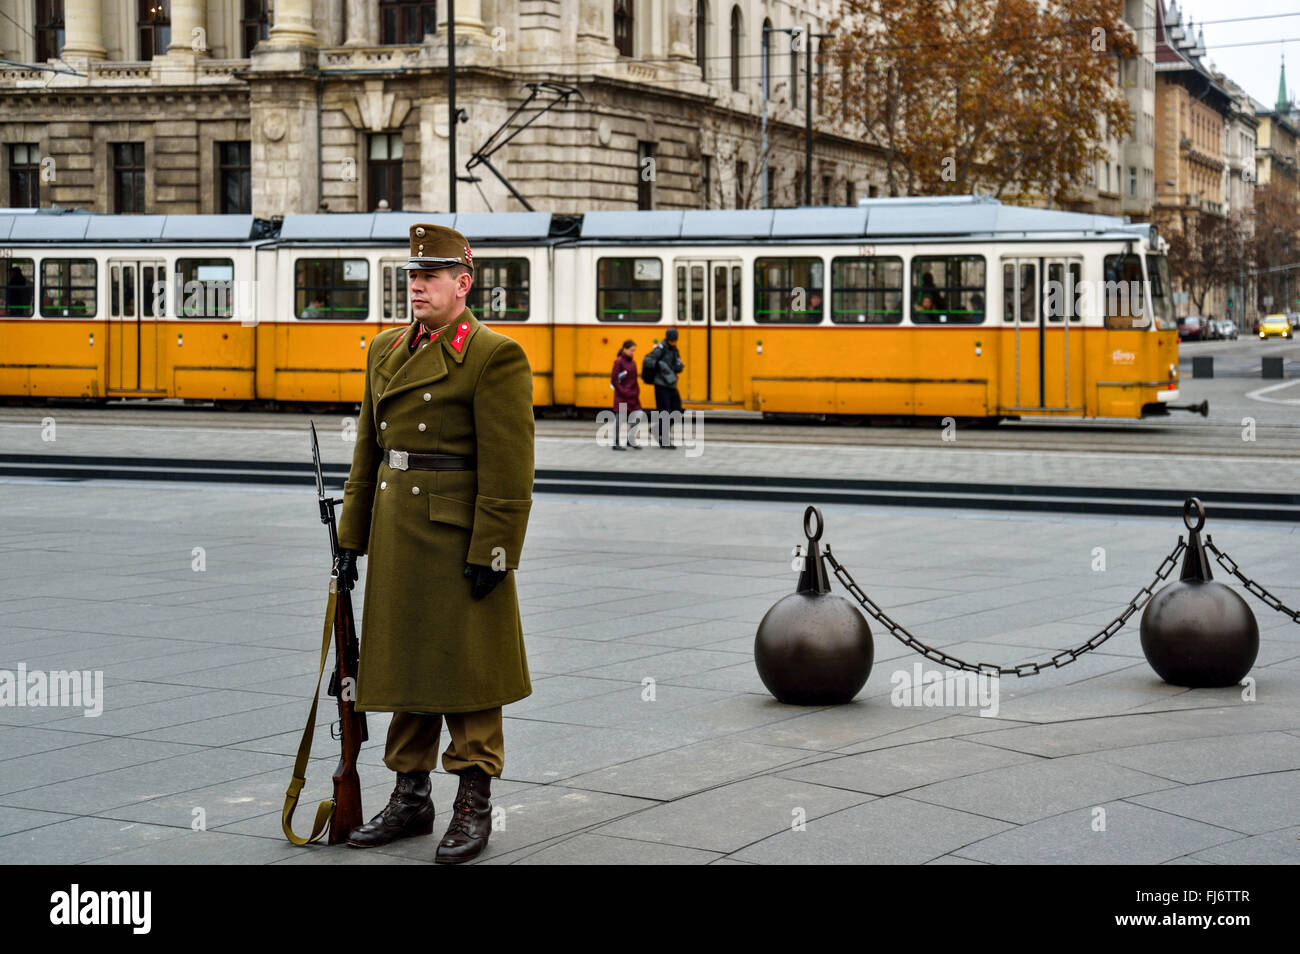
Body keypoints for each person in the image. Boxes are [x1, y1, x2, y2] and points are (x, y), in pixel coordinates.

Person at [334, 223, 534, 864]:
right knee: (404, 664)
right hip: (397, 529)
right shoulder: (385, 348)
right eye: (412, 276)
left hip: (458, 537)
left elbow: (509, 464)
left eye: (430, 277)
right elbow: (368, 448)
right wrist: (351, 536)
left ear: (463, 283)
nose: (417, 286)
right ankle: (411, 797)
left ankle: (473, 801)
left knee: (470, 671)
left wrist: (495, 548)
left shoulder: (493, 354)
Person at [647, 327, 684, 448]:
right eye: (672, 340)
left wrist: (679, 366)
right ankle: (664, 440)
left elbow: (676, 365)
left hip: (671, 384)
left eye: (675, 340)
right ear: (668, 339)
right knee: (665, 413)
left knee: (677, 411)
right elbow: (648, 360)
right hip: (661, 385)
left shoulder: (674, 349)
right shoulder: (660, 348)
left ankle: (657, 430)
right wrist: (662, 367)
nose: (674, 342)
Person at [610, 339, 643, 450]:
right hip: (622, 397)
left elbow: (634, 379)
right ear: (624, 349)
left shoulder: (633, 363)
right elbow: (614, 380)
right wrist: (623, 391)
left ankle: (631, 440)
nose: (633, 352)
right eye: (631, 350)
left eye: (634, 350)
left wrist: (637, 391)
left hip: (633, 396)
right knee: (620, 418)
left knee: (638, 415)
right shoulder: (618, 362)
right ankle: (616, 443)